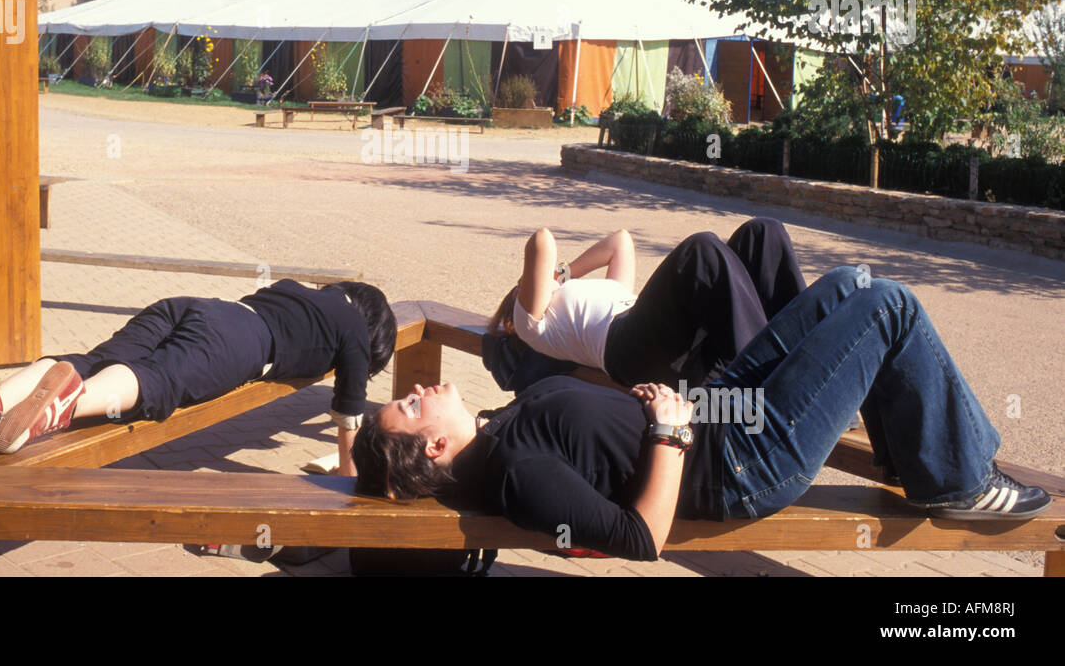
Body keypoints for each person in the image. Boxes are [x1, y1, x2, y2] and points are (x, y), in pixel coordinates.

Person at [353, 267, 1051, 560]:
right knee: (887, 305)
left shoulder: (493, 435)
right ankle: (958, 482)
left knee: (847, 286)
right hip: (740, 460)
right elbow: (637, 539)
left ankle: (918, 452)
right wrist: (667, 432)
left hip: (719, 416)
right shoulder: (516, 473)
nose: (418, 392)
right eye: (411, 407)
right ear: (433, 449)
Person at [0, 279, 396, 474]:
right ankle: (66, 404)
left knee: (94, 358)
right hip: (242, 340)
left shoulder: (294, 288)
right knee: (158, 381)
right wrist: (345, 472)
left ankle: (0, 394)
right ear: (372, 325)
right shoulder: (354, 327)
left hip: (194, 306)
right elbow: (348, 412)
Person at [491, 217, 806, 389]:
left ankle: (807, 358)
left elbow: (621, 241)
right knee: (700, 250)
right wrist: (553, 279)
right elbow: (542, 240)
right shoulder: (529, 324)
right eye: (525, 285)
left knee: (762, 232)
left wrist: (567, 272)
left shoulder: (605, 292)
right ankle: (769, 380)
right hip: (626, 351)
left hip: (647, 329)